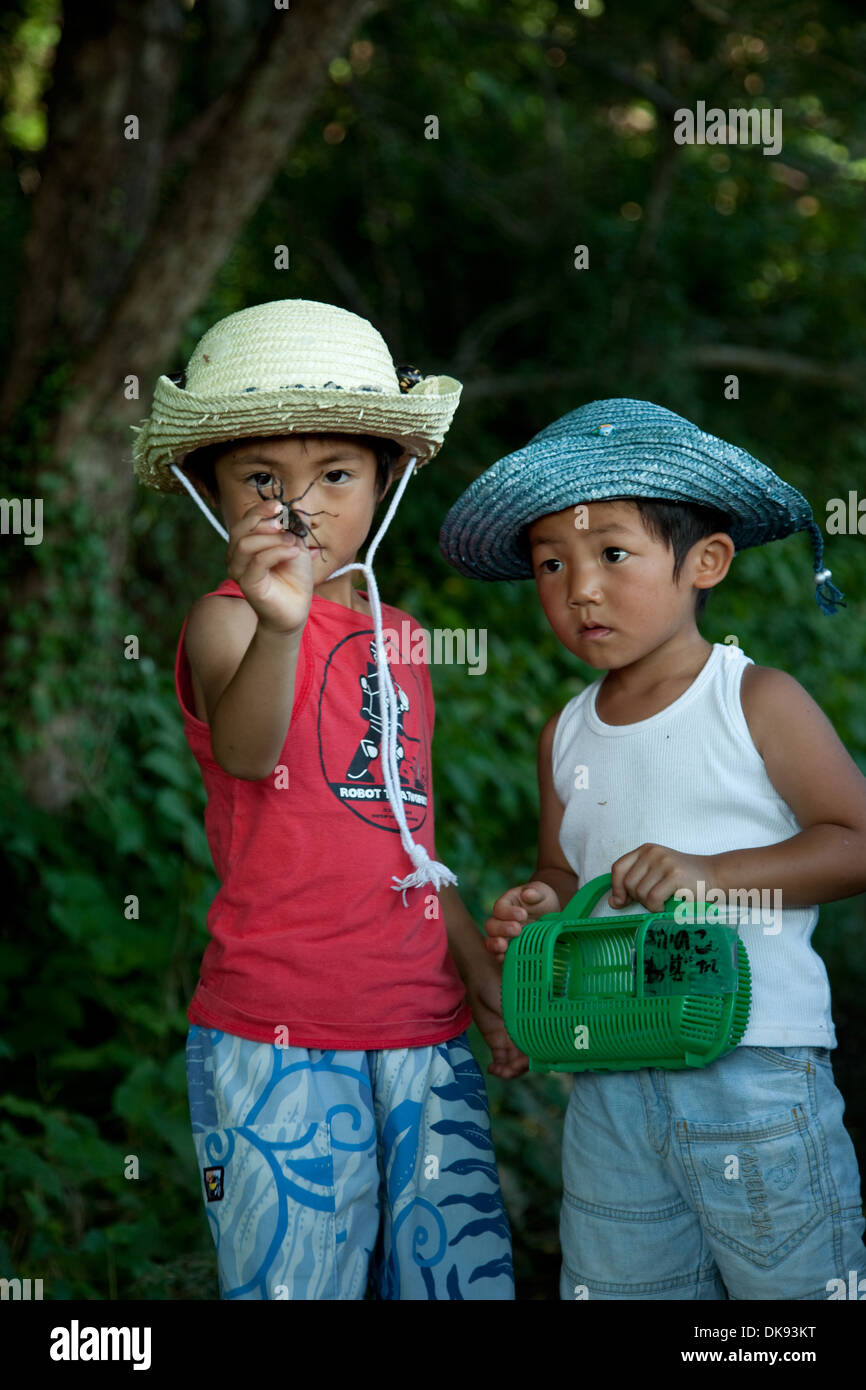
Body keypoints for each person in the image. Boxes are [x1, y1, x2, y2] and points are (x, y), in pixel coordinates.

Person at [439, 396, 866, 1300]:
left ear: (705, 561)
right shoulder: (566, 732)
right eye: (551, 564)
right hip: (608, 1067)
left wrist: (710, 877)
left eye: (612, 554)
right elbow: (569, 872)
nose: (579, 587)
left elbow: (855, 841)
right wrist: (542, 904)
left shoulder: (753, 699)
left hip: (751, 1066)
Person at [131, 298, 517, 1300]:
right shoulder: (225, 625)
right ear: (212, 492)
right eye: (263, 479)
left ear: (386, 478)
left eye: (334, 475)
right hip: (277, 1031)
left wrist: (478, 976)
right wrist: (278, 627)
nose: (298, 505)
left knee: (450, 1283)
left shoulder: (404, 636)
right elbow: (252, 752)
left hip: (424, 1029)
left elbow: (405, 826)